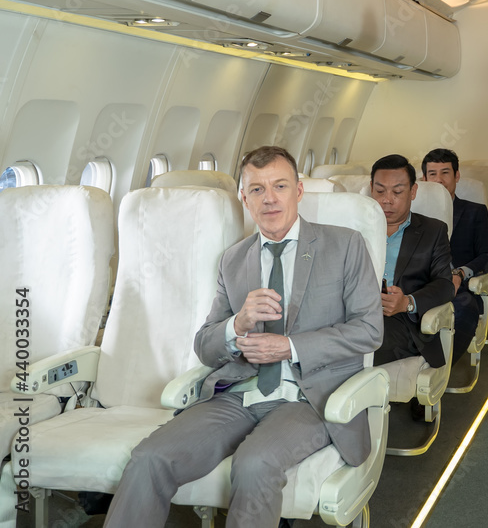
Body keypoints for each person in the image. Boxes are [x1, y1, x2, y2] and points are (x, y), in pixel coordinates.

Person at [105, 146, 383, 528]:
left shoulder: (345, 244)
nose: (269, 198)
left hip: (312, 396)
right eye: (256, 190)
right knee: (149, 457)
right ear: (244, 199)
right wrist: (237, 325)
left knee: (255, 464)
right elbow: (205, 345)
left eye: (280, 186)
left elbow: (369, 330)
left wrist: (289, 346)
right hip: (240, 392)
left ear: (298, 191)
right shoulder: (234, 260)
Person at [370, 154, 455, 370]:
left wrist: (407, 302)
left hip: (400, 320)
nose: (387, 199)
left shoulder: (433, 231)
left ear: (413, 192)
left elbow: (444, 284)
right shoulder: (354, 229)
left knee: (368, 343)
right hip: (356, 314)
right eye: (380, 191)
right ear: (371, 189)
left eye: (397, 192)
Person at [422, 148, 488, 356]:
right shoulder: (414, 215)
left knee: (464, 313)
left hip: (459, 289)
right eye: (432, 174)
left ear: (457, 176)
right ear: (423, 179)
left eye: (445, 173)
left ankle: (439, 371)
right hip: (421, 286)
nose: (439, 180)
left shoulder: (475, 211)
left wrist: (461, 273)